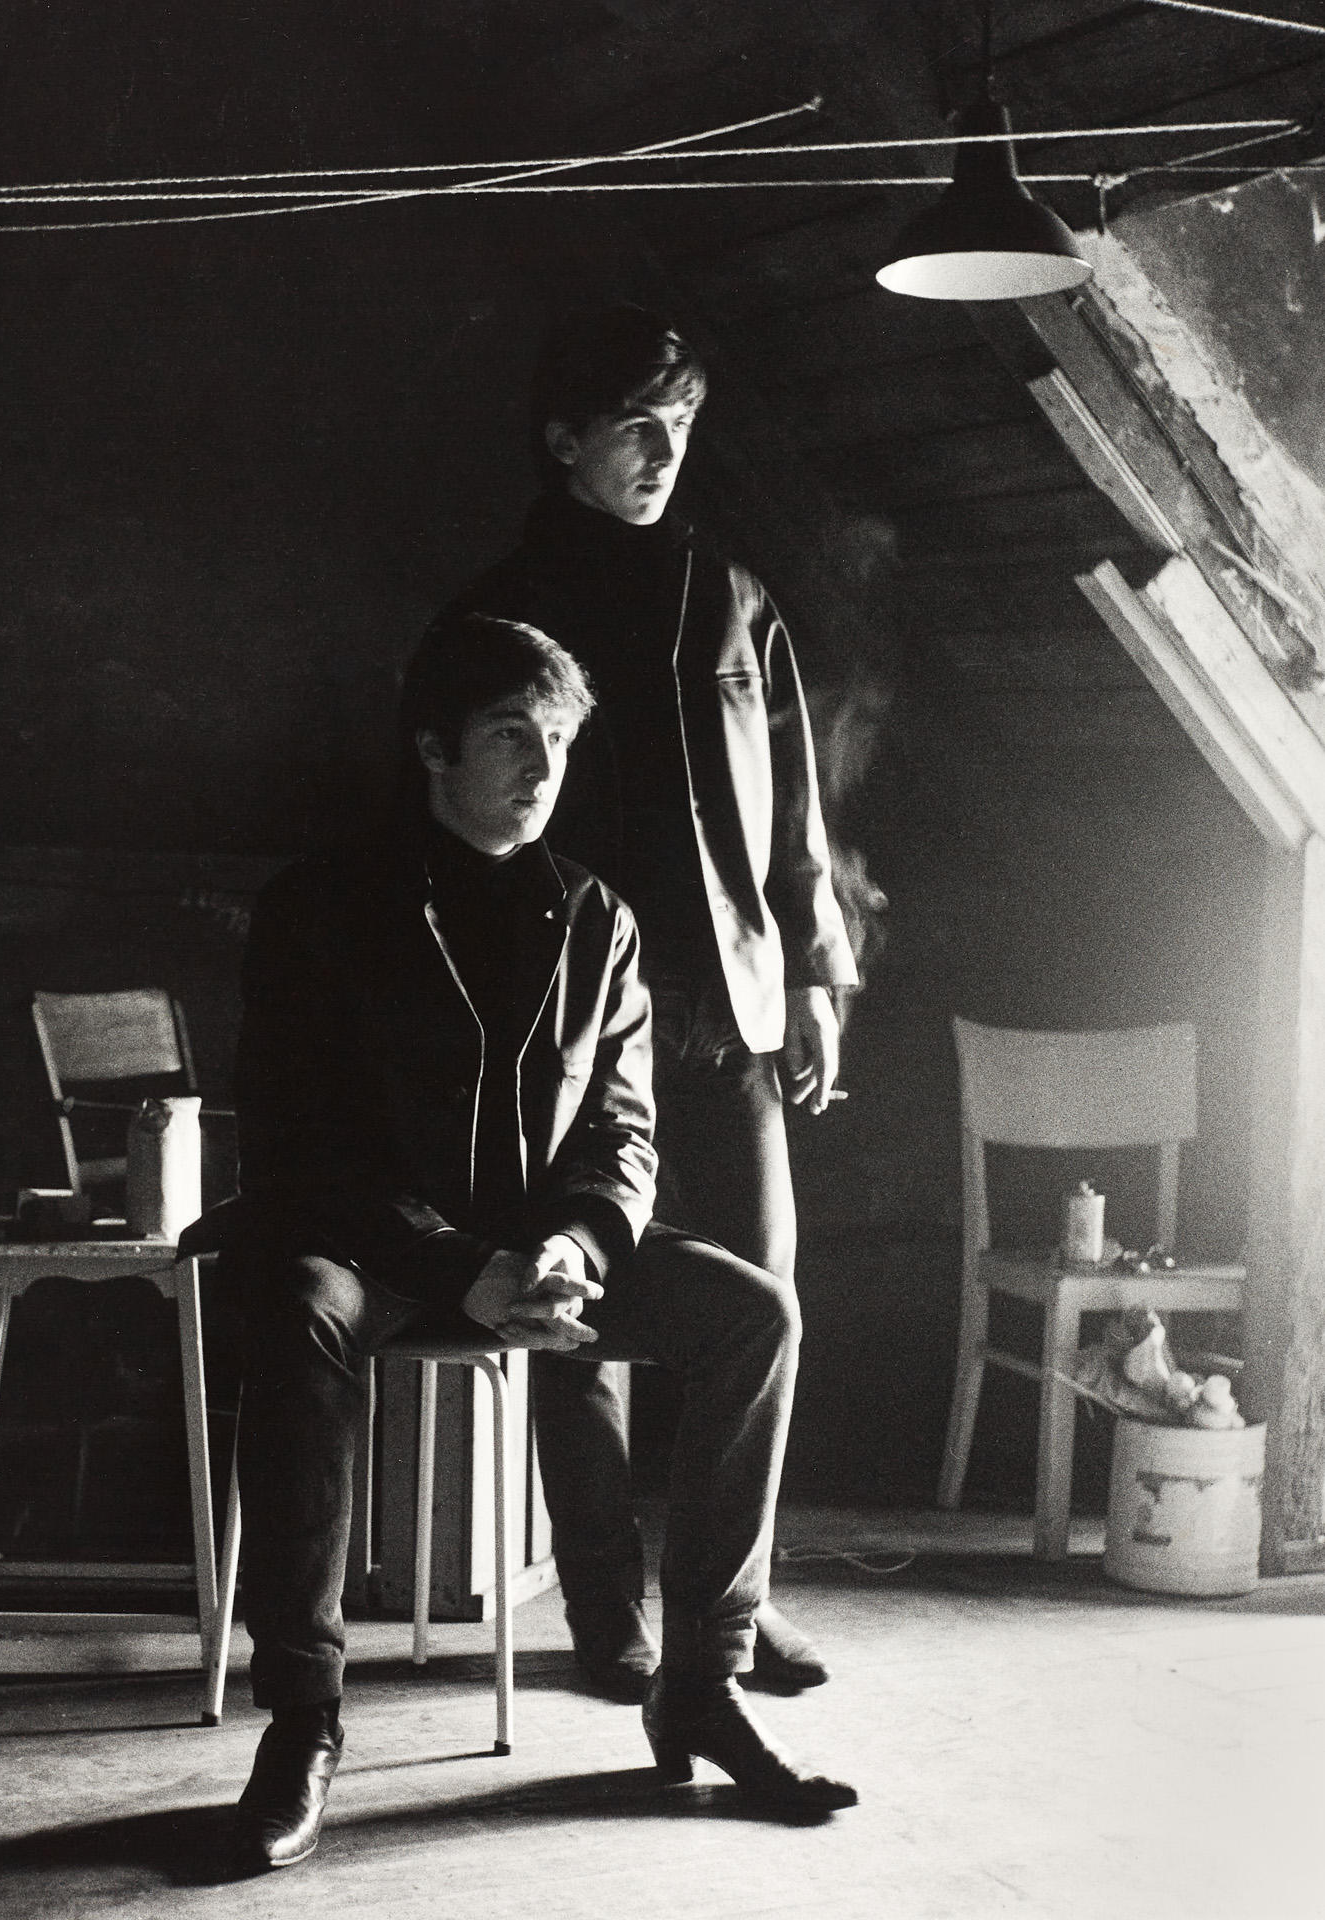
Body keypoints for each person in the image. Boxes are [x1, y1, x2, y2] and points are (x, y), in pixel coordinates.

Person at [216, 612, 856, 1873]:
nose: (539, 765)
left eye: (556, 740)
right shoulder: (319, 906)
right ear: (432, 746)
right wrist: (463, 1264)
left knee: (752, 1315)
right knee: (295, 1306)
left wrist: (574, 1246)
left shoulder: (596, 920)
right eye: (511, 734)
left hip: (539, 1260)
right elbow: (301, 1152)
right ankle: (302, 1720)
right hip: (375, 1256)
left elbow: (622, 1133)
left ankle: (701, 1687)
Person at [439, 304, 860, 1700]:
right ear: (563, 438)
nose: (662, 447)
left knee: (758, 1306)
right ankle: (607, 1610)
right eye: (634, 421)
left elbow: (796, 809)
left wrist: (813, 973)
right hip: (568, 1028)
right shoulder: (500, 609)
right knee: (580, 1325)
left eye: (679, 421)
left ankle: (729, 1610)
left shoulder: (732, 595)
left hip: (729, 1010)